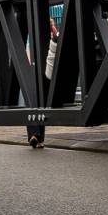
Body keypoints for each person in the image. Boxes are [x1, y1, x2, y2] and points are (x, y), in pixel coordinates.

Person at [27, 18, 60, 148]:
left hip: (34, 72)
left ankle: (35, 136)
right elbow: (57, 39)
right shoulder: (52, 37)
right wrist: (52, 27)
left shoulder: (33, 39)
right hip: (47, 73)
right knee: (42, 105)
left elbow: (28, 56)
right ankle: (39, 138)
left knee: (33, 105)